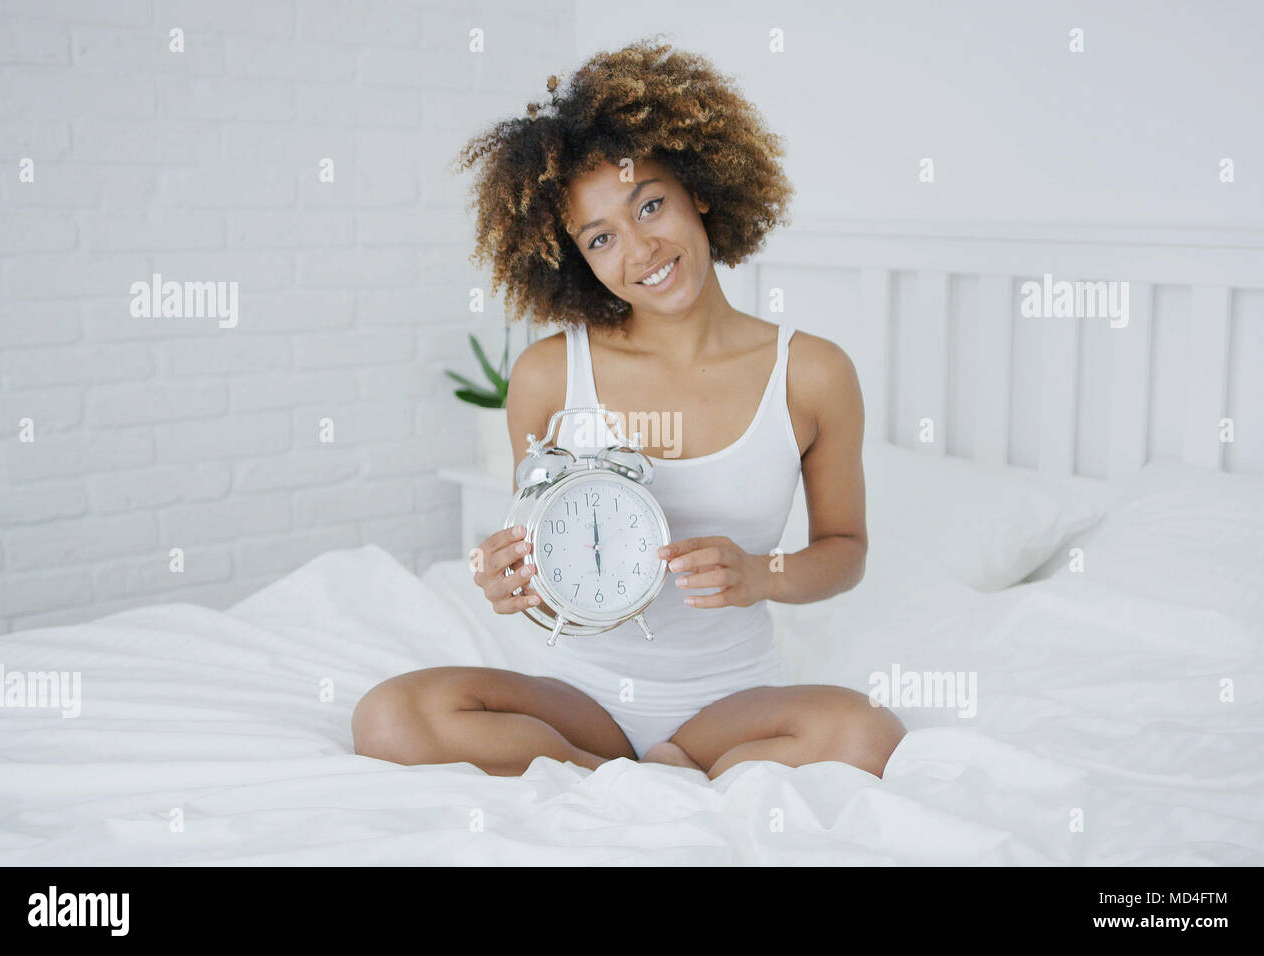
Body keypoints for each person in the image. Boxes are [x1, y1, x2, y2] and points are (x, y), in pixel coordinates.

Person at [352, 36, 906, 779]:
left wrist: (761, 574)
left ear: (698, 190)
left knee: (868, 733)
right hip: (586, 697)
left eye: (651, 205)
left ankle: (660, 763)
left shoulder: (810, 373)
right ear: (573, 258)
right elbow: (546, 547)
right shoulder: (550, 377)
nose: (640, 250)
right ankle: (618, 767)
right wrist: (506, 570)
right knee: (390, 717)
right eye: (601, 237)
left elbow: (846, 552)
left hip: (733, 698)